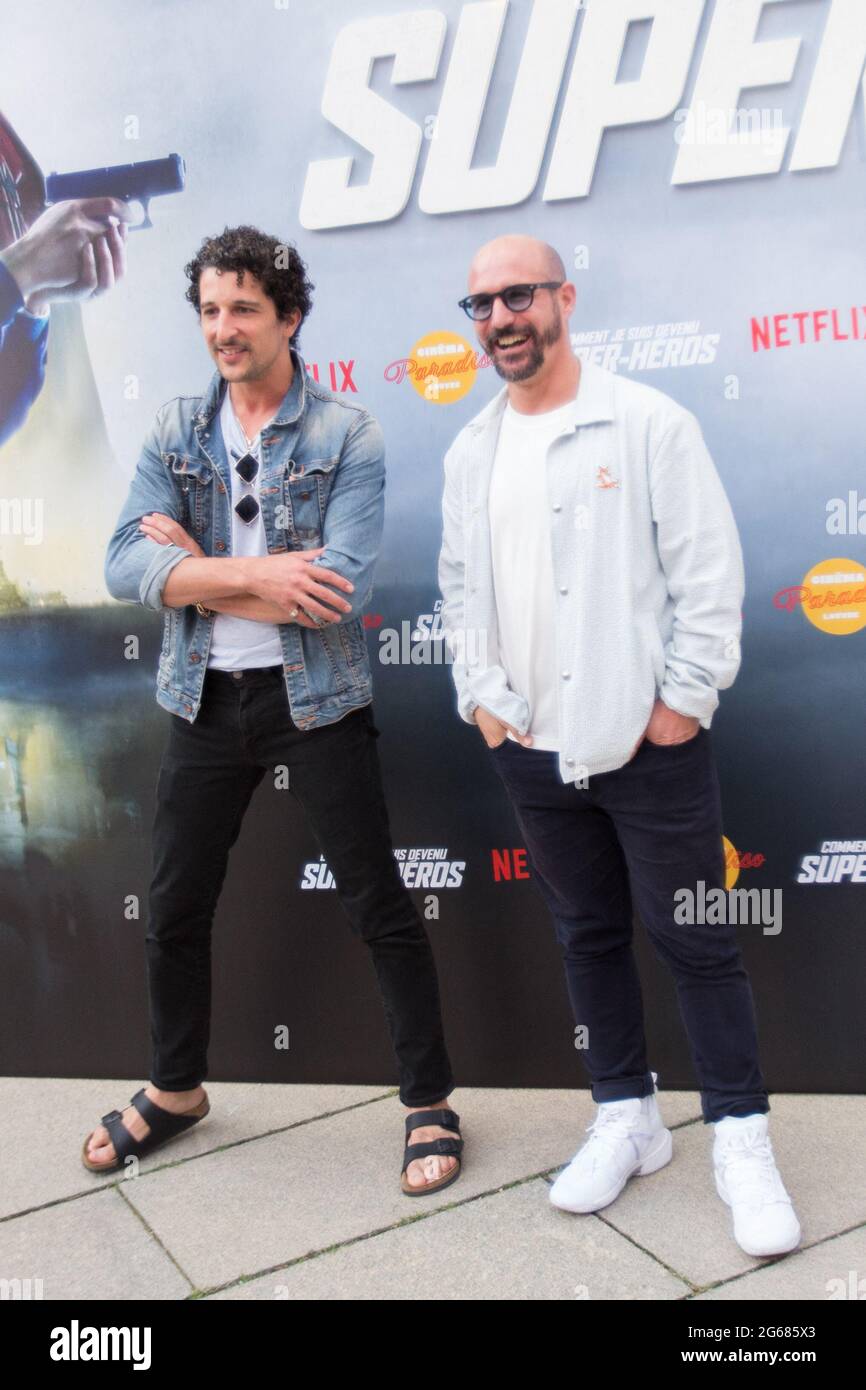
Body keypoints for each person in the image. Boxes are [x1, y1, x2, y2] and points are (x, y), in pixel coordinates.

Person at [437, 233, 799, 1257]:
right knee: (586, 937)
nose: (498, 318)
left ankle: (738, 1137)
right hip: (530, 751)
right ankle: (625, 1117)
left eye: (517, 296)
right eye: (479, 304)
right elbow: (460, 591)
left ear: (562, 298)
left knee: (696, 942)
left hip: (650, 749)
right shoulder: (471, 450)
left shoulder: (647, 423)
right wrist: (482, 700)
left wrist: (678, 702)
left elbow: (707, 576)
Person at [85, 225, 462, 1196]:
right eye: (210, 309)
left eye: (244, 307)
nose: (224, 327)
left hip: (317, 701)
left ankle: (427, 1100)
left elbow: (331, 589)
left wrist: (194, 573)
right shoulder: (176, 428)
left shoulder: (347, 434)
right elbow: (126, 562)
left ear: (289, 317)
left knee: (377, 902)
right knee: (172, 906)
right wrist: (253, 575)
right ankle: (175, 1089)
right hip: (205, 699)